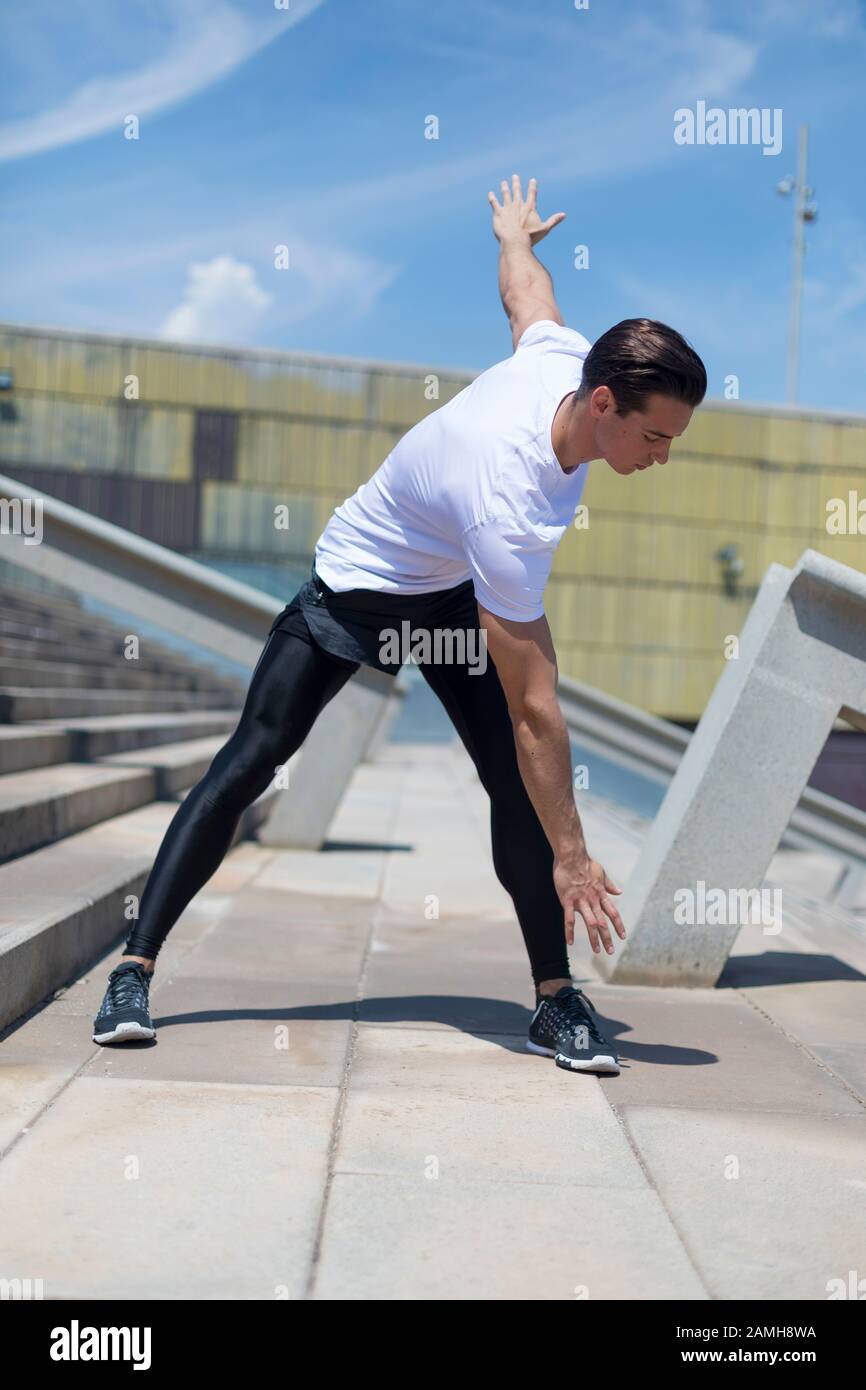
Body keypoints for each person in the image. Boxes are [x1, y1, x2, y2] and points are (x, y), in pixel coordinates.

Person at [93, 174, 707, 1075]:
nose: (662, 459)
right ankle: (133, 967)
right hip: (359, 585)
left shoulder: (564, 362)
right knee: (252, 759)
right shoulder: (509, 501)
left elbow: (526, 299)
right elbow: (539, 705)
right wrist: (574, 858)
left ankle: (553, 997)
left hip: (449, 591)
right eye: (657, 439)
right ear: (605, 404)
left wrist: (514, 239)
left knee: (513, 781)